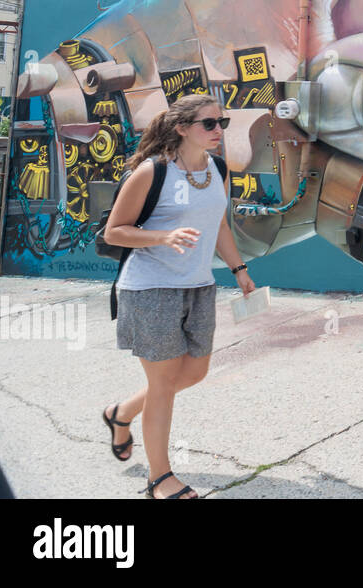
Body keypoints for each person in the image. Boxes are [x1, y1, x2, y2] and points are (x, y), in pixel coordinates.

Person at [99, 92, 255, 499]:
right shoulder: (153, 173)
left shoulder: (217, 168)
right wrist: (162, 236)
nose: (218, 130)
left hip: (199, 286)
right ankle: (159, 477)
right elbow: (114, 231)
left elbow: (219, 224)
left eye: (222, 122)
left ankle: (122, 413)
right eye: (209, 124)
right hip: (150, 290)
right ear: (182, 128)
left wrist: (240, 270)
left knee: (194, 372)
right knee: (164, 384)